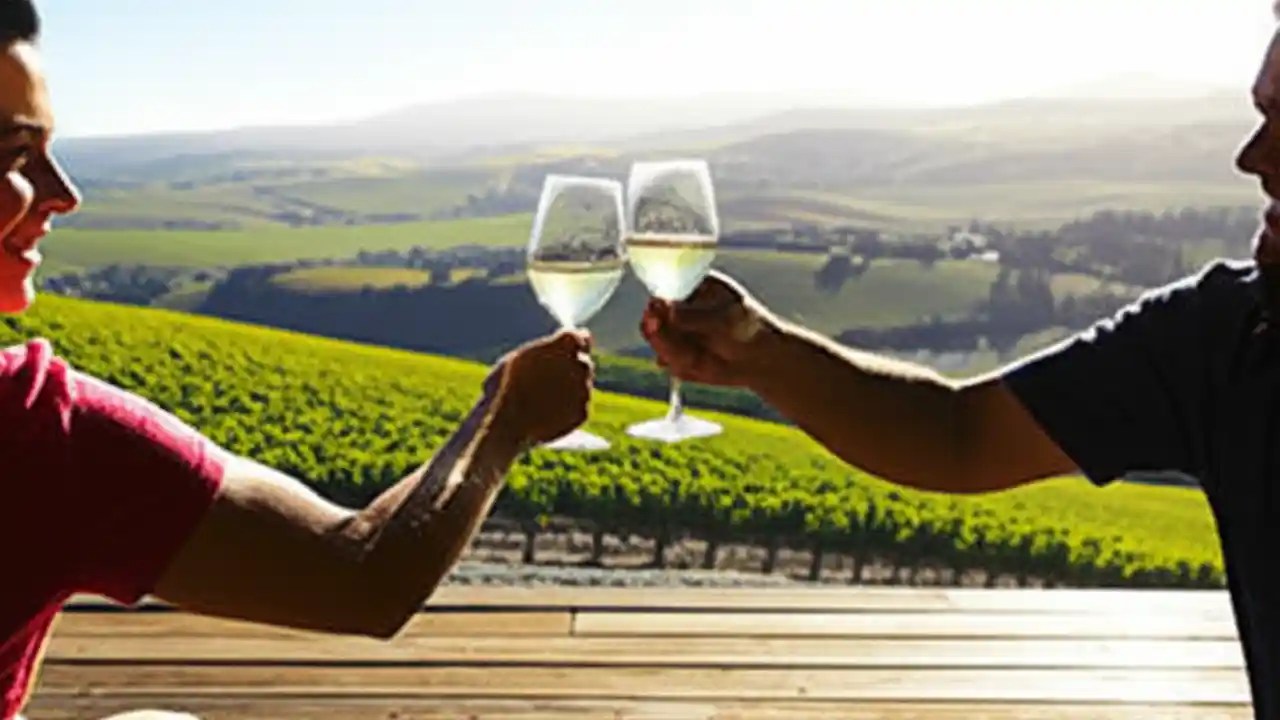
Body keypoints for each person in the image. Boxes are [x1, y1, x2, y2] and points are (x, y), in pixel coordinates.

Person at [642, 13, 1280, 720]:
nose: (1253, 157)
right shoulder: (1224, 338)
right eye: (1263, 114)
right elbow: (957, 435)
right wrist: (758, 347)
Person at [0, 2, 594, 719]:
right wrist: (510, 418)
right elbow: (365, 574)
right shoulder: (38, 434)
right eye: (14, 154)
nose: (66, 194)